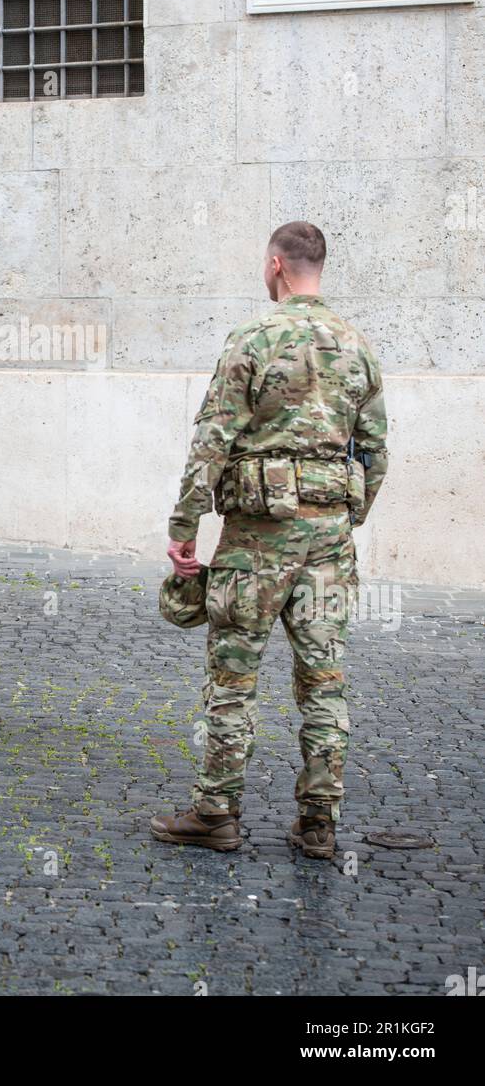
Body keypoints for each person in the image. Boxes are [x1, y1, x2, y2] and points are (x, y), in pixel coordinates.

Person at [151, 222, 388, 858]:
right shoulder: (357, 345)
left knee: (233, 678)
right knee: (324, 679)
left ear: (276, 265)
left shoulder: (253, 338)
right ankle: (318, 823)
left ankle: (216, 813)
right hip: (328, 542)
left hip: (256, 540)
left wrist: (184, 529)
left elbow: (212, 440)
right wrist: (344, 517)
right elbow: (375, 452)